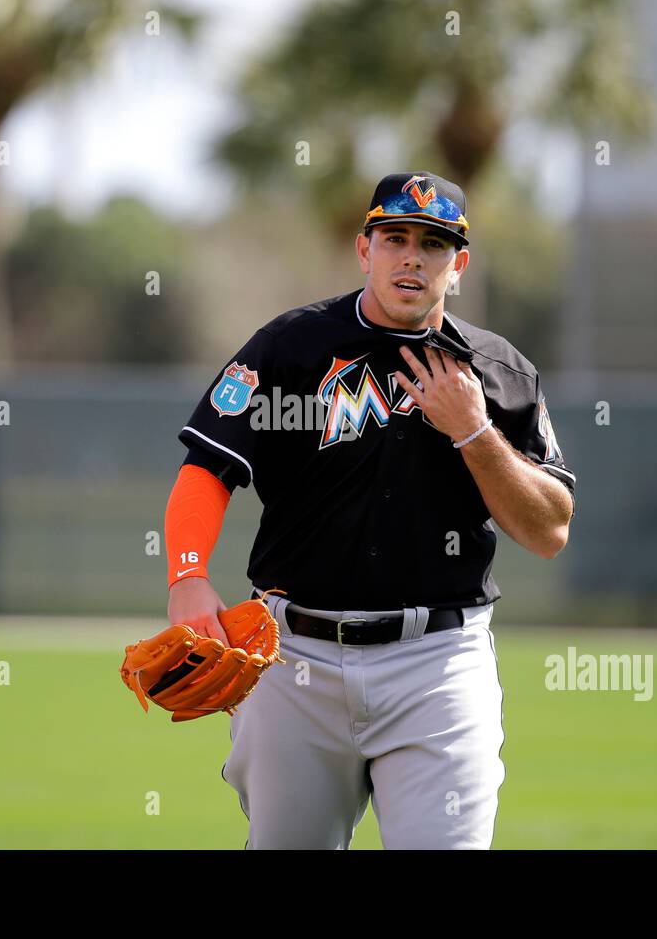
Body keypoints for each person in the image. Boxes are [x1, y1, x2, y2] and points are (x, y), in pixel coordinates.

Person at [164, 171, 576, 849]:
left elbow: (549, 529)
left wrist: (476, 431)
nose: (412, 257)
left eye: (433, 244)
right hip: (294, 657)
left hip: (438, 665)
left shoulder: (500, 373)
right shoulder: (289, 347)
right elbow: (208, 467)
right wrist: (187, 576)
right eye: (395, 238)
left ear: (459, 264)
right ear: (365, 250)